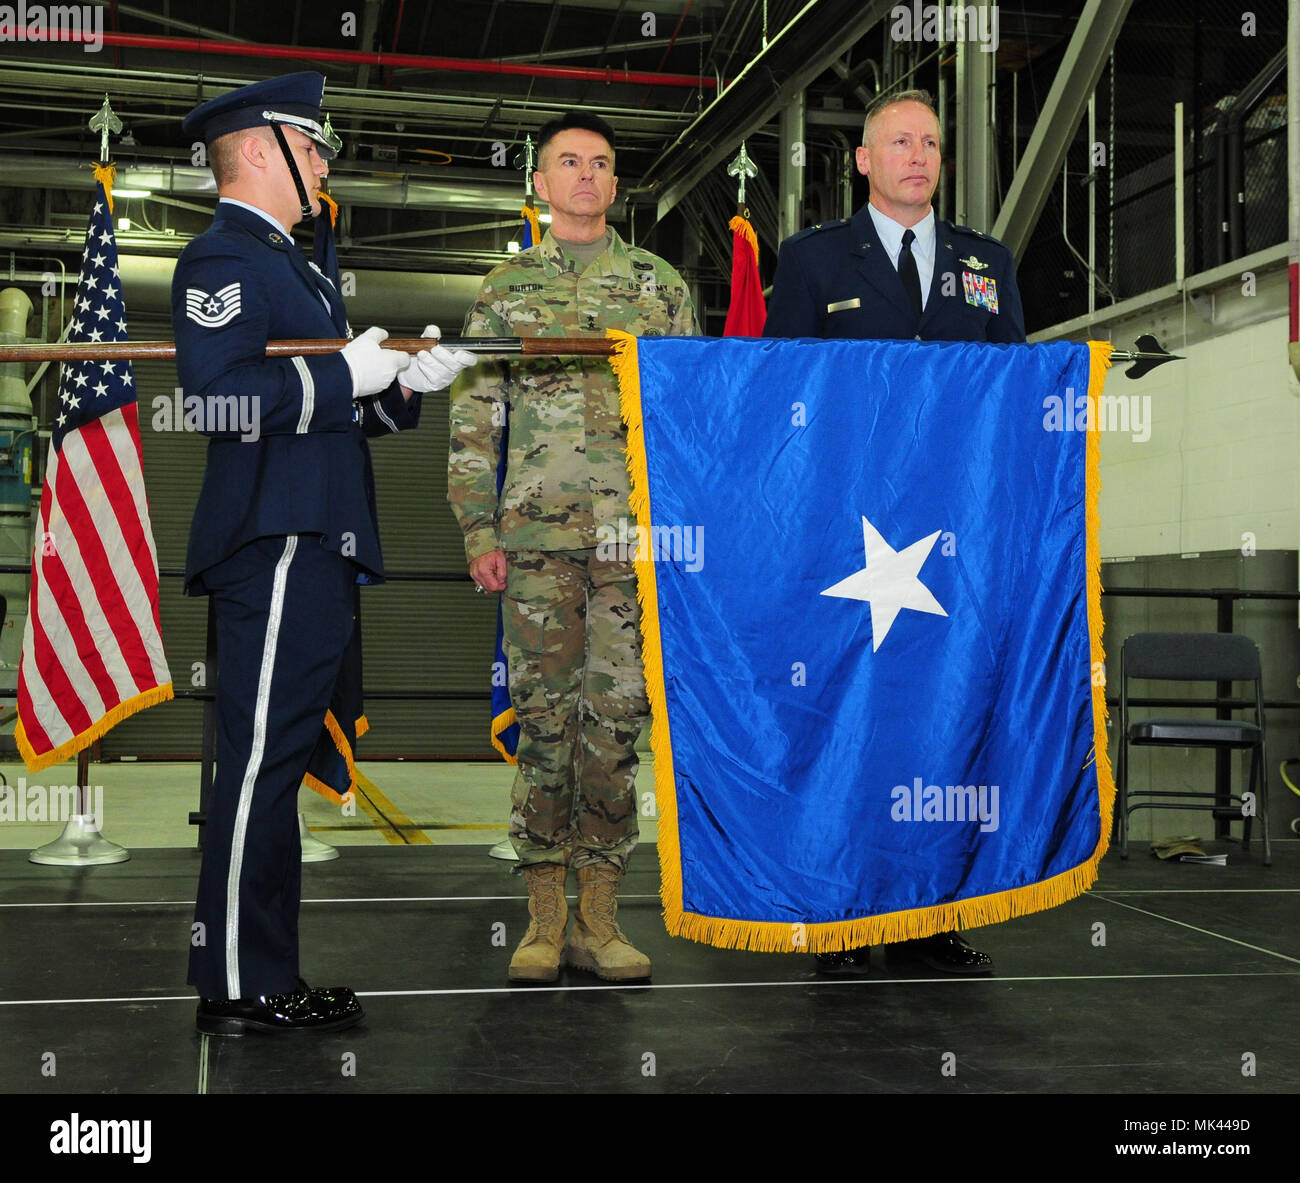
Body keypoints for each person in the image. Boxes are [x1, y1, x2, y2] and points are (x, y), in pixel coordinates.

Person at [173, 72, 474, 1034]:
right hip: (277, 541)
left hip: (313, 538)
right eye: (311, 147)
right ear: (257, 150)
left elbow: (332, 410)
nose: (324, 163)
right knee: (257, 766)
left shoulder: (291, 266)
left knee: (273, 761)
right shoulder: (223, 258)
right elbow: (215, 400)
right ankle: (237, 982)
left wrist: (405, 383)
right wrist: (344, 368)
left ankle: (261, 970)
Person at [764, 88, 1025, 976]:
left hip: (953, 539)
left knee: (938, 715)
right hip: (845, 534)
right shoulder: (808, 262)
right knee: (844, 716)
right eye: (899, 142)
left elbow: (1016, 398)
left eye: (932, 143)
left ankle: (924, 914)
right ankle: (838, 911)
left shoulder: (986, 262)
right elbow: (778, 400)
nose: (918, 155)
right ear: (865, 162)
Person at [448, 112, 697, 984]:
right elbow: (476, 415)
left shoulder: (660, 287)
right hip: (537, 539)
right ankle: (543, 921)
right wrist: (478, 528)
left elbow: (686, 419)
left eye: (600, 163)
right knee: (548, 721)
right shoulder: (505, 289)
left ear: (616, 185)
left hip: (634, 542)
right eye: (568, 163)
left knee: (617, 723)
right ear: (541, 185)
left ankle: (601, 916)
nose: (585, 176)